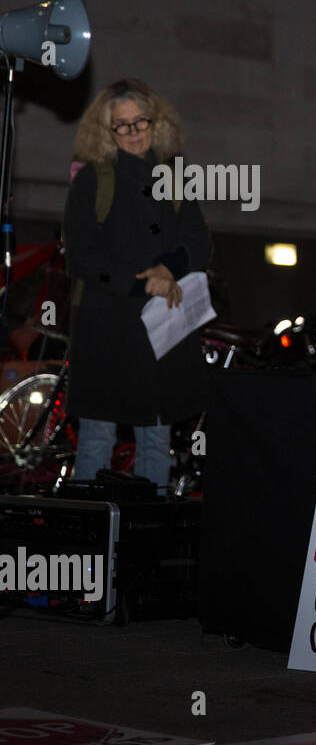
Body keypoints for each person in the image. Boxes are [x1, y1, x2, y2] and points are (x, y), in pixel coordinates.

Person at [62, 78, 213, 492]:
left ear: (155, 122)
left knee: (155, 438)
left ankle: (145, 541)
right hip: (107, 327)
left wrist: (167, 270)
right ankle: (89, 541)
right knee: (97, 438)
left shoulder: (175, 175)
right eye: (121, 125)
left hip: (161, 324)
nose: (133, 133)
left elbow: (199, 242)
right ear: (106, 131)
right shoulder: (94, 179)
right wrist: (139, 284)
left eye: (140, 122)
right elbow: (81, 256)